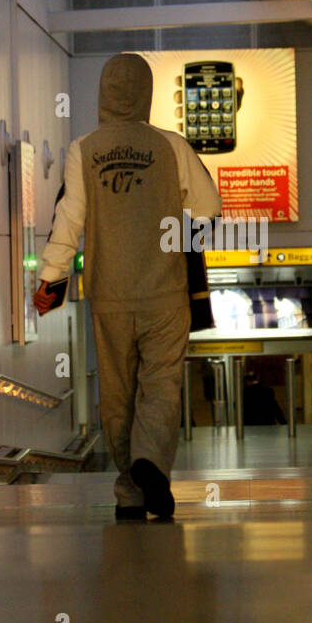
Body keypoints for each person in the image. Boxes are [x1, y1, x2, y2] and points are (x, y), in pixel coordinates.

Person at [34, 54, 222, 521]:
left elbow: (67, 222)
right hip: (165, 294)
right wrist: (178, 245)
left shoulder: (83, 149)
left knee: (117, 395)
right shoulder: (172, 146)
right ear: (148, 92)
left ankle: (129, 490)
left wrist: (49, 282)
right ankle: (149, 463)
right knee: (160, 386)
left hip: (109, 296)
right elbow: (209, 209)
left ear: (101, 93)